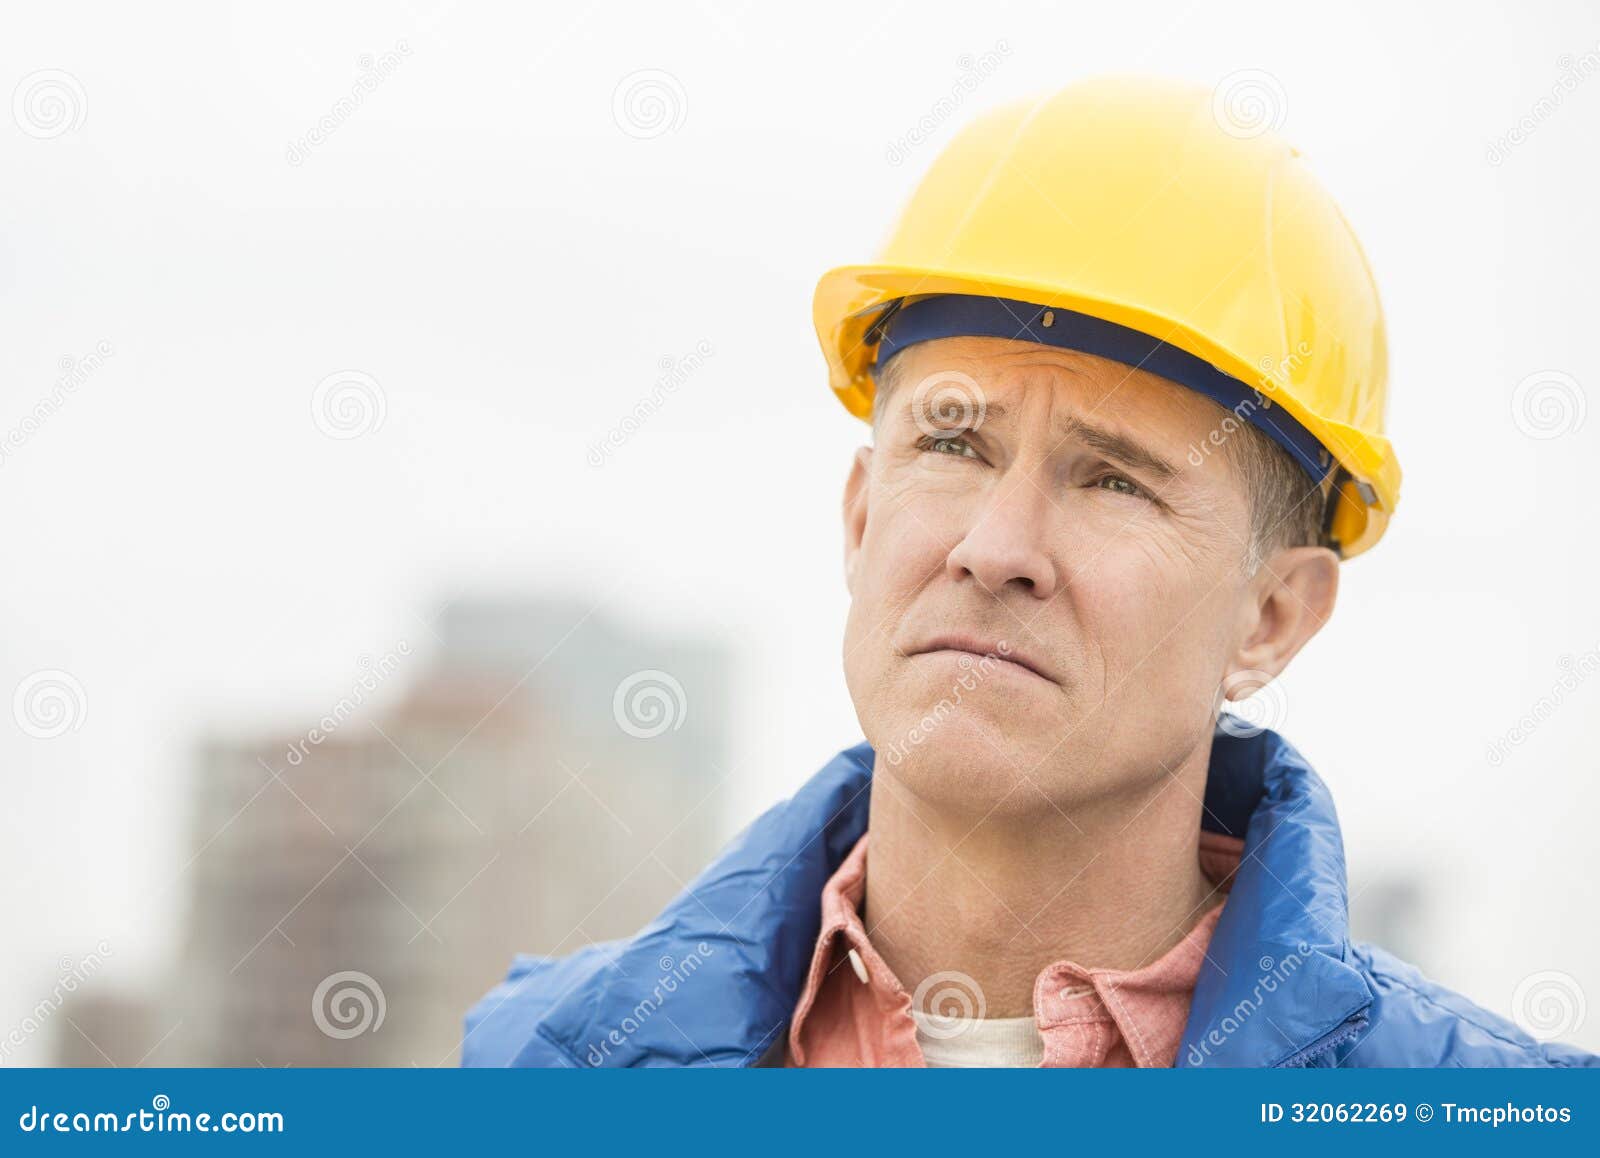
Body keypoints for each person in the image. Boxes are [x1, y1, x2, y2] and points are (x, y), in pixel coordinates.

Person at [463, 76, 1596, 1068]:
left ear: (1271, 618)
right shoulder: (545, 1070)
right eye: (952, 445)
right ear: (861, 520)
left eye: (1114, 481)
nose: (994, 547)